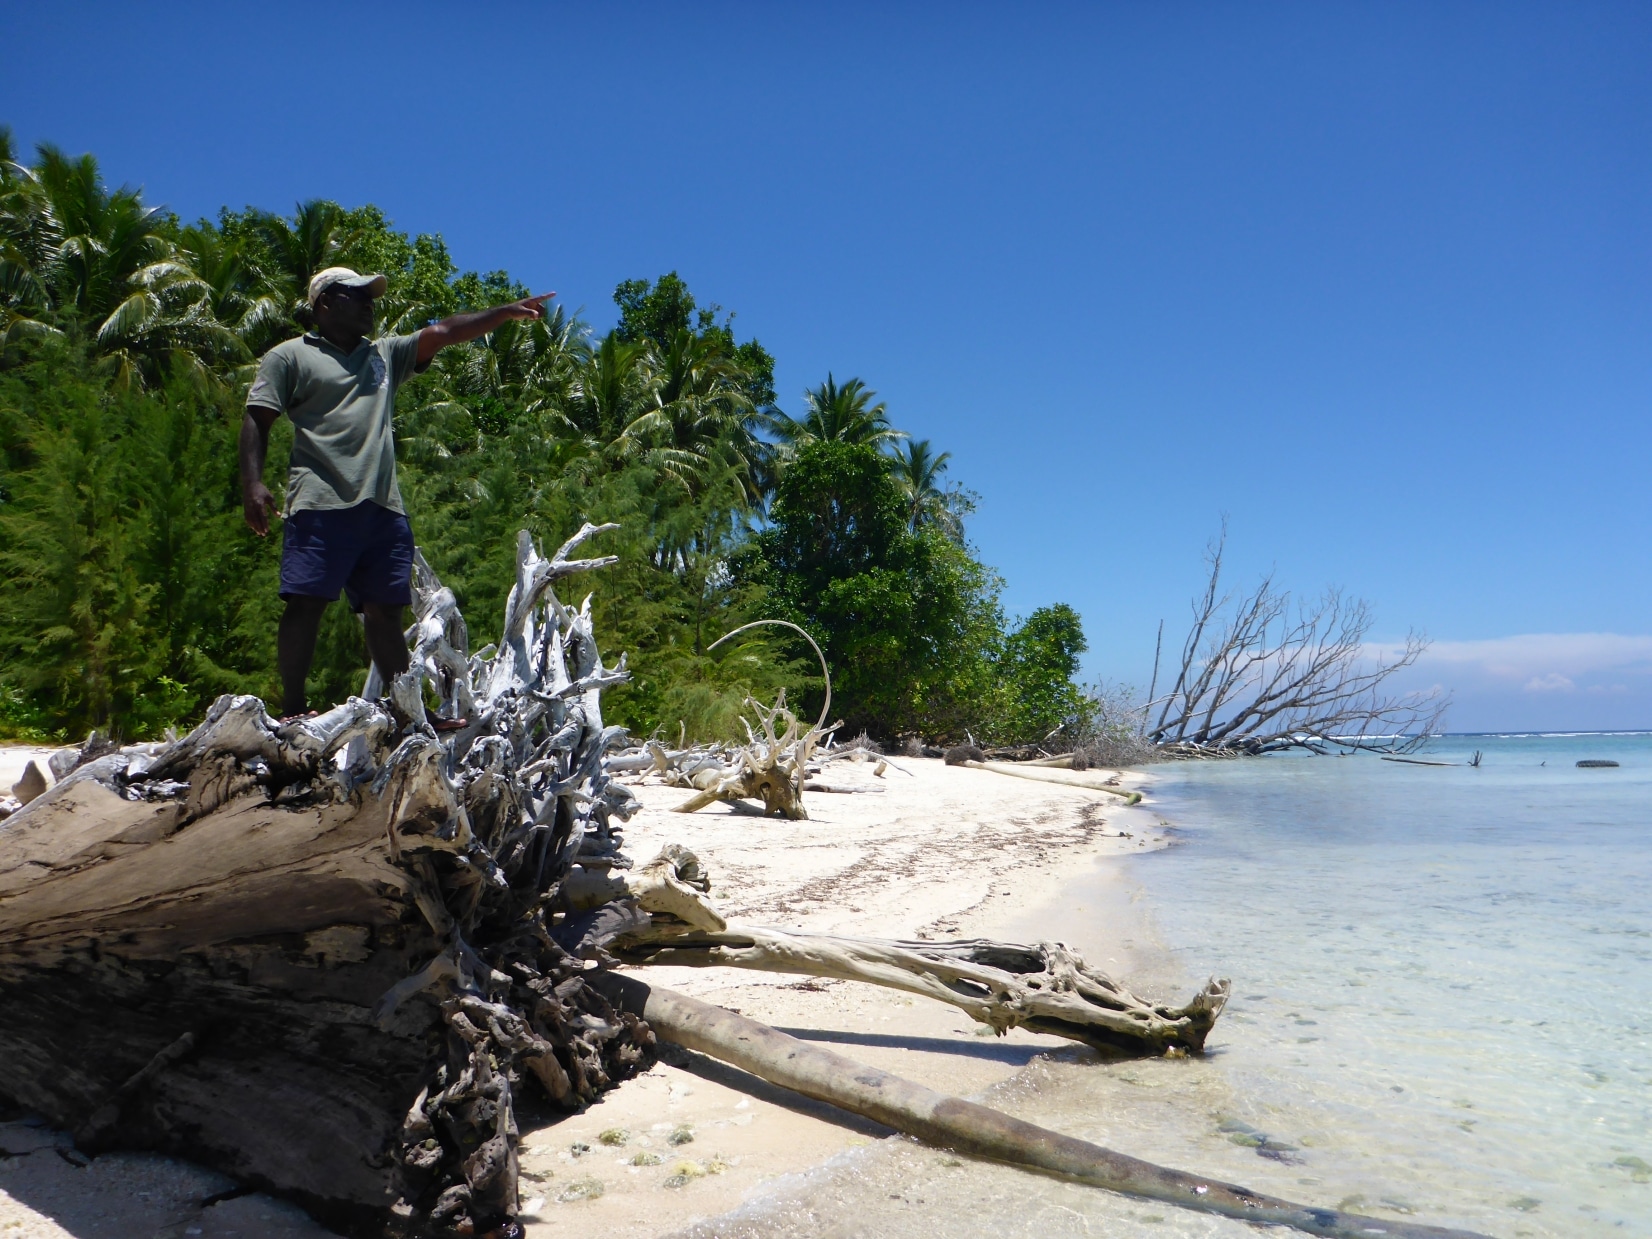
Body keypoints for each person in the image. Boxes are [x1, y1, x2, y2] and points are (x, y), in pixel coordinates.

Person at [240, 266, 551, 722]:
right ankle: (292, 711)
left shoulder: (384, 354)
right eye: (357, 295)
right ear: (325, 303)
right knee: (306, 603)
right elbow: (257, 418)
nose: (369, 304)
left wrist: (504, 312)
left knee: (385, 613)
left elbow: (443, 332)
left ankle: (411, 715)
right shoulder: (288, 357)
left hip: (383, 509)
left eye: (371, 296)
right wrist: (252, 484)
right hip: (319, 501)